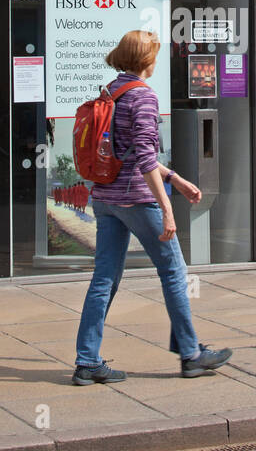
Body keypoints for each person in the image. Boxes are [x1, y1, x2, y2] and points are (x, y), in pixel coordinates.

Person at [73, 29, 232, 385]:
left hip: (105, 199)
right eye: (156, 54)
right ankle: (191, 356)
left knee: (104, 279)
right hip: (136, 199)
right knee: (174, 271)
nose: (157, 60)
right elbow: (145, 159)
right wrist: (168, 209)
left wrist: (175, 178)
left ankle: (87, 361)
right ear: (147, 59)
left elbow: (128, 152)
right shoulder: (143, 97)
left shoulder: (111, 91)